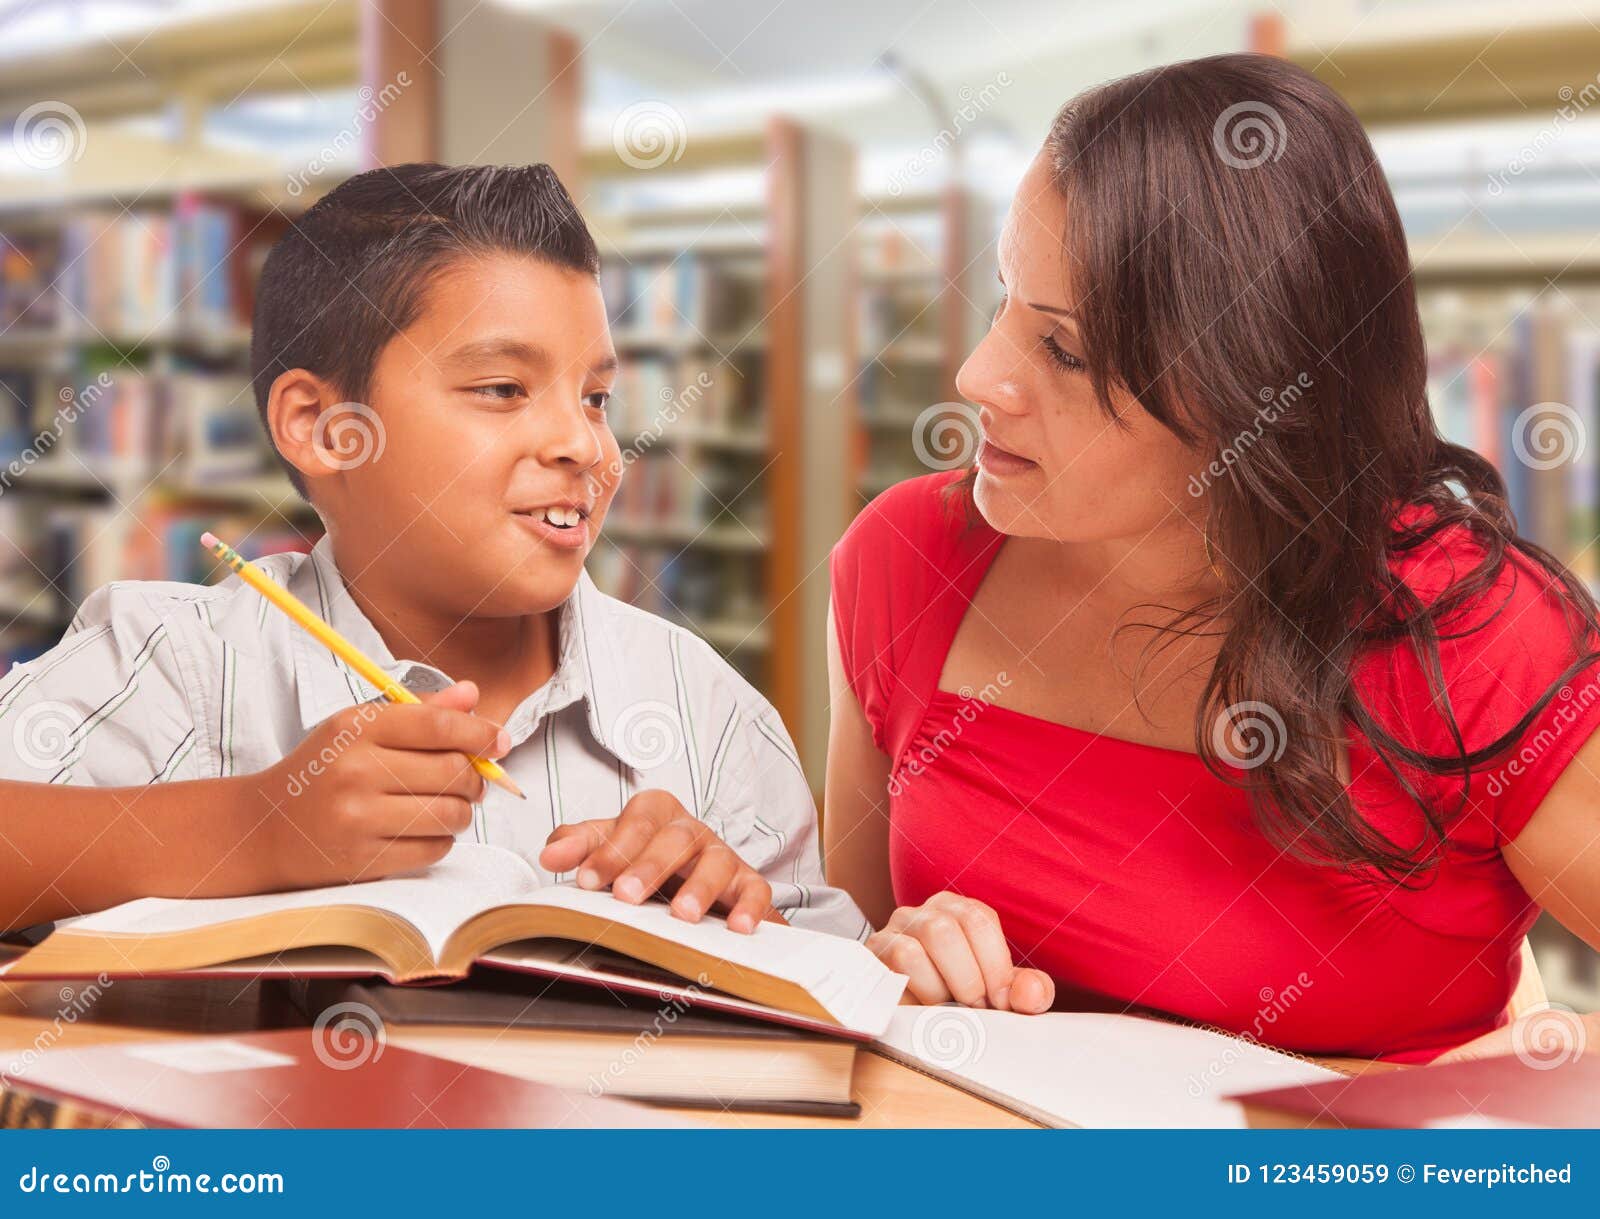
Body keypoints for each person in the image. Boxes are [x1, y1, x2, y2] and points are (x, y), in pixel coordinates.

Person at [825, 53, 1600, 1062]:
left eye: (1063, 351)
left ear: (1247, 397)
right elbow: (833, 966)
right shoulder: (906, 558)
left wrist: (1539, 1067)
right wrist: (888, 964)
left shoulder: (1472, 633)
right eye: (1003, 301)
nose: (979, 376)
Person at [0, 163, 862, 941]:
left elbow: (836, 997)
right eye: (501, 389)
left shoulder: (712, 716)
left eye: (597, 397)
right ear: (324, 429)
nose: (585, 445)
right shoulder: (176, 662)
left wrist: (728, 916)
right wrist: (253, 827)